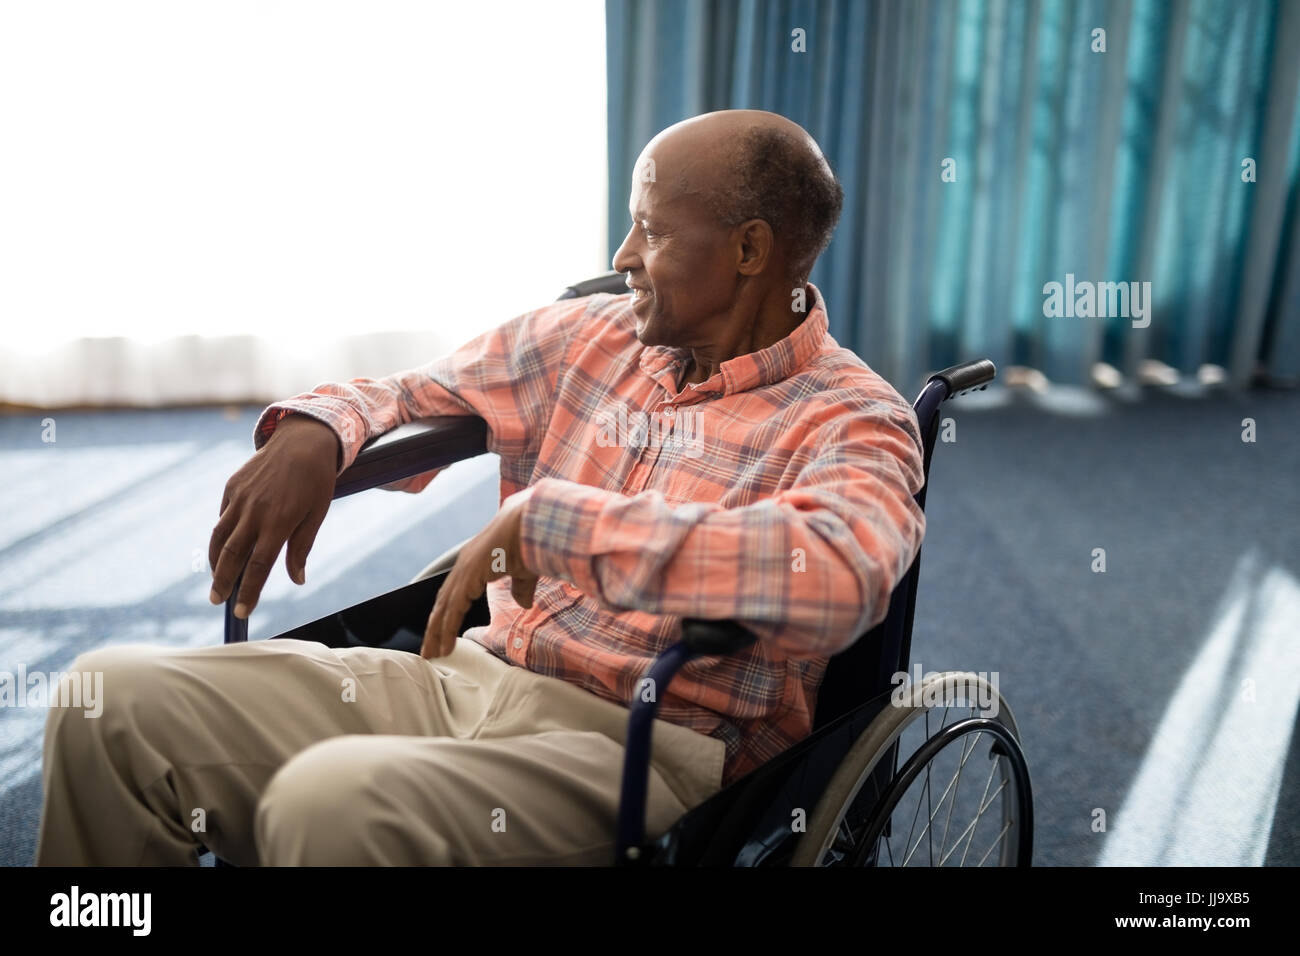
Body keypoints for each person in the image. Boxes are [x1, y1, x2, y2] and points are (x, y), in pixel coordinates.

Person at [36, 109, 926, 866]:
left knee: (331, 803)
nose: (623, 253)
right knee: (107, 698)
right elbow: (407, 390)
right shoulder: (590, 338)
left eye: (651, 230)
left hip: (648, 750)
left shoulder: (852, 420)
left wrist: (561, 524)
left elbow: (837, 577)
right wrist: (316, 428)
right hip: (466, 676)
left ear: (749, 249)